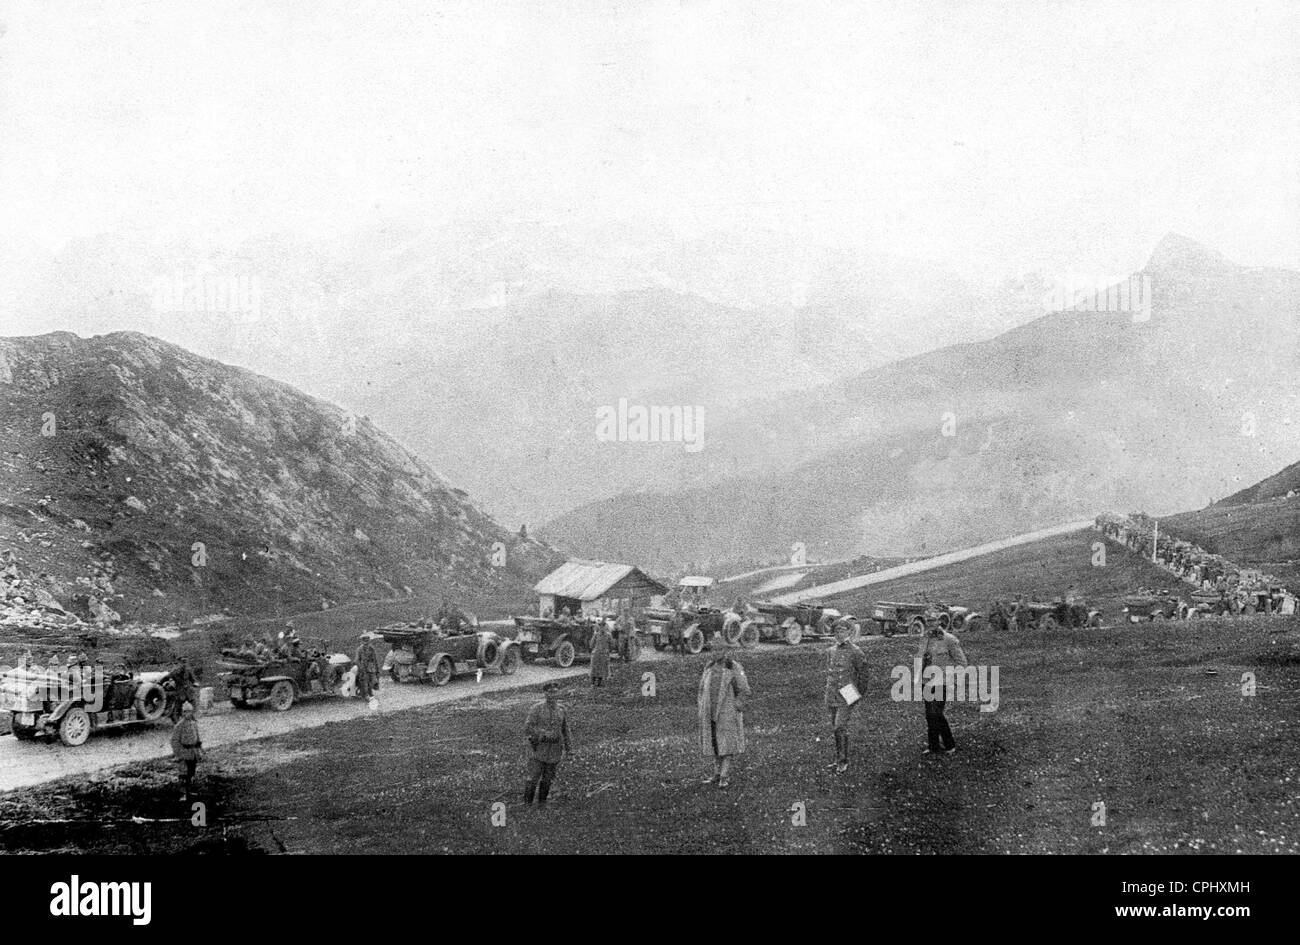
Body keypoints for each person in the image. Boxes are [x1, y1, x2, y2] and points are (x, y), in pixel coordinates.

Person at [697, 645, 750, 789]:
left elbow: (744, 689)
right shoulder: (709, 667)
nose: (716, 653)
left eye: (719, 650)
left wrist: (737, 706)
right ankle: (716, 774)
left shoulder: (733, 667)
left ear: (725, 651)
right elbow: (701, 689)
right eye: (713, 650)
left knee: (727, 744)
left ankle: (724, 776)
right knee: (715, 743)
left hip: (727, 711)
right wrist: (702, 706)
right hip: (710, 711)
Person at [914, 622, 968, 755]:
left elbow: (962, 662)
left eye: (933, 621)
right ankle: (934, 746)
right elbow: (920, 658)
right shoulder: (924, 638)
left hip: (941, 682)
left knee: (936, 713)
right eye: (928, 621)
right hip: (926, 682)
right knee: (930, 715)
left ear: (939, 622)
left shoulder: (949, 639)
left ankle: (950, 745)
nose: (930, 624)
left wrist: (953, 680)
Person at [824, 619, 868, 773]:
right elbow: (830, 673)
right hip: (833, 694)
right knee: (837, 728)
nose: (839, 634)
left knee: (839, 726)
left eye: (842, 631)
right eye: (836, 631)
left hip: (848, 693)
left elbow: (863, 675)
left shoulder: (856, 652)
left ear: (849, 632)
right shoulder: (831, 651)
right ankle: (839, 759)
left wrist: (857, 694)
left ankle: (843, 761)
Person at [524, 682, 571, 808]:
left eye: (555, 692)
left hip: (555, 750)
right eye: (549, 692)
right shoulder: (536, 708)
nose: (552, 695)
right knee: (533, 778)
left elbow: (565, 730)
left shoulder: (562, 709)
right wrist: (543, 734)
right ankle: (527, 805)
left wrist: (569, 749)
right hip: (538, 749)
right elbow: (528, 727)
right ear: (545, 694)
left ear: (558, 693)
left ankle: (542, 804)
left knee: (548, 779)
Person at [170, 702, 203, 801]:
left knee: (191, 773)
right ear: (182, 713)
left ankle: (189, 790)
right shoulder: (179, 725)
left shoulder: (194, 723)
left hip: (193, 752)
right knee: (183, 774)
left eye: (189, 712)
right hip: (184, 752)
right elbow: (174, 740)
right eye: (185, 712)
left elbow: (197, 738)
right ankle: (182, 794)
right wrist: (178, 753)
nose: (187, 714)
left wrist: (199, 751)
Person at [164, 656, 199, 723]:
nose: (184, 664)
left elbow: (193, 679)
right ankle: (177, 721)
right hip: (180, 692)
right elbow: (166, 678)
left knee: (194, 705)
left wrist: (195, 683)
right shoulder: (174, 672)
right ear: (179, 663)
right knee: (177, 707)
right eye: (182, 663)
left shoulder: (188, 670)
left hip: (188, 691)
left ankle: (192, 718)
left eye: (185, 663)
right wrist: (162, 683)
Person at [355, 633, 381, 700]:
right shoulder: (360, 649)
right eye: (365, 641)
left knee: (372, 681)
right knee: (364, 681)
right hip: (363, 667)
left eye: (367, 640)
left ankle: (370, 692)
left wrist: (377, 668)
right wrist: (361, 668)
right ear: (362, 641)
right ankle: (365, 694)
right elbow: (357, 660)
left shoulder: (371, 648)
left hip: (371, 667)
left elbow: (375, 659)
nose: (366, 642)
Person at [589, 619, 612, 687]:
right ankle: (592, 683)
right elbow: (591, 644)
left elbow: (612, 645)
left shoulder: (608, 635)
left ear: (606, 627)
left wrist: (607, 650)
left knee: (601, 669)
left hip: (604, 654)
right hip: (596, 654)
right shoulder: (596, 635)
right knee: (594, 669)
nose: (602, 628)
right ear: (599, 627)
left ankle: (598, 683)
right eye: (601, 627)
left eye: (603, 626)